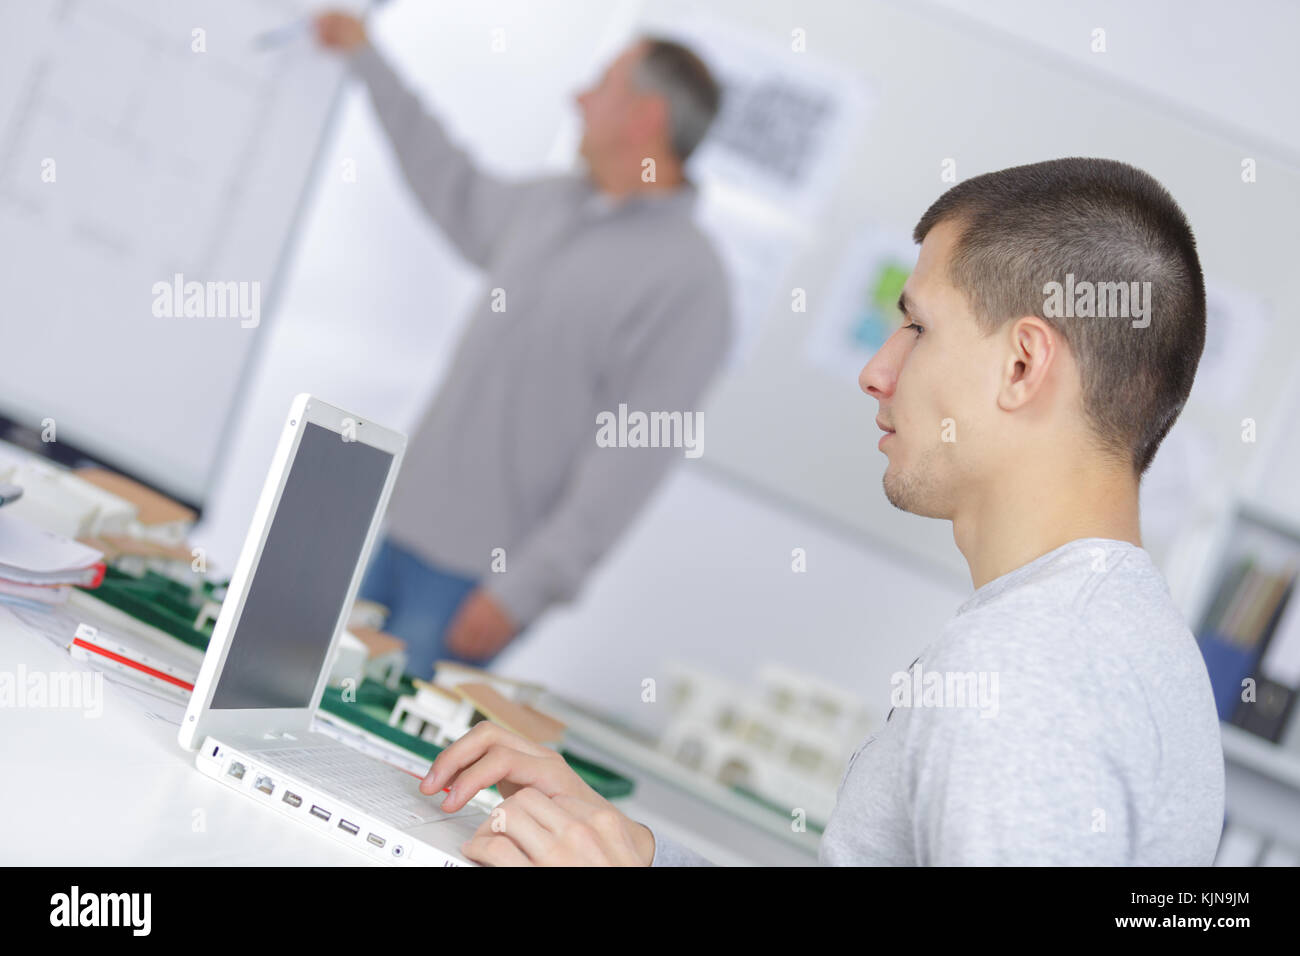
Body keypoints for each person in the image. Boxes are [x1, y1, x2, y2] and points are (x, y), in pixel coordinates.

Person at [415, 158, 1226, 865]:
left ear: (1021, 365)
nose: (876, 372)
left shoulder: (1026, 675)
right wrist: (635, 852)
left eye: (916, 325)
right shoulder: (1133, 640)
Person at [314, 12, 731, 676]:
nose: (578, 99)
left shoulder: (691, 285)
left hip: (476, 587)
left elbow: (630, 464)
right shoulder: (549, 205)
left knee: (379, 754)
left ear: (644, 118)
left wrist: (522, 592)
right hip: (398, 533)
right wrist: (368, 58)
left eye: (601, 86)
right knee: (302, 704)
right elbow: (444, 176)